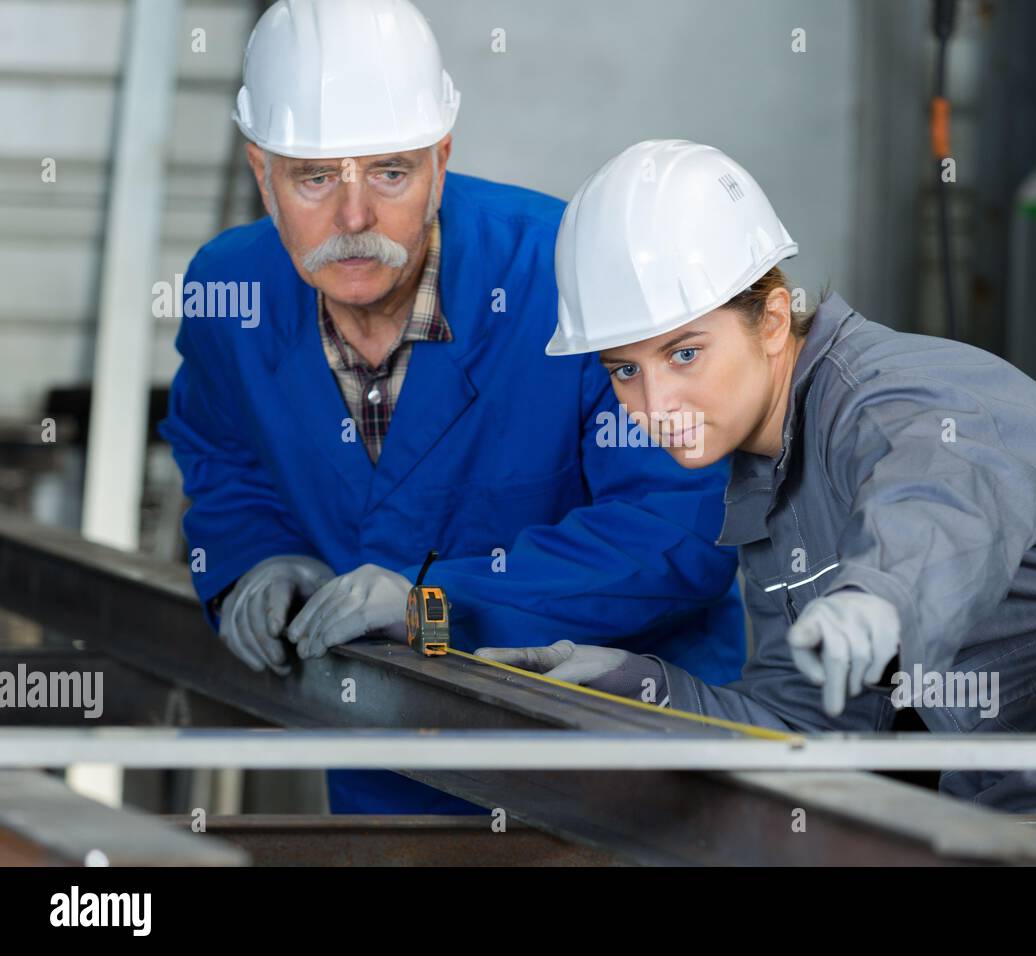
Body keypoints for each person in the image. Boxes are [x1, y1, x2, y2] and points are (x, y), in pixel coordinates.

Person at [478, 139, 1036, 815]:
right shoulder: (763, 486)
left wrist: (874, 601)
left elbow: (945, 500)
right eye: (624, 370)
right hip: (1008, 746)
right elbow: (810, 724)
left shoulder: (887, 398)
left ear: (774, 318)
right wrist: (640, 687)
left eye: (685, 354)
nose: (656, 404)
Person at [160, 6, 746, 814]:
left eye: (391, 173)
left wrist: (432, 601)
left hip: (627, 765)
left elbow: (683, 526)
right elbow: (224, 459)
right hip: (396, 771)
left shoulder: (571, 273)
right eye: (315, 178)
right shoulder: (231, 293)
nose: (355, 217)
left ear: (441, 158)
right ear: (262, 172)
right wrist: (259, 556)